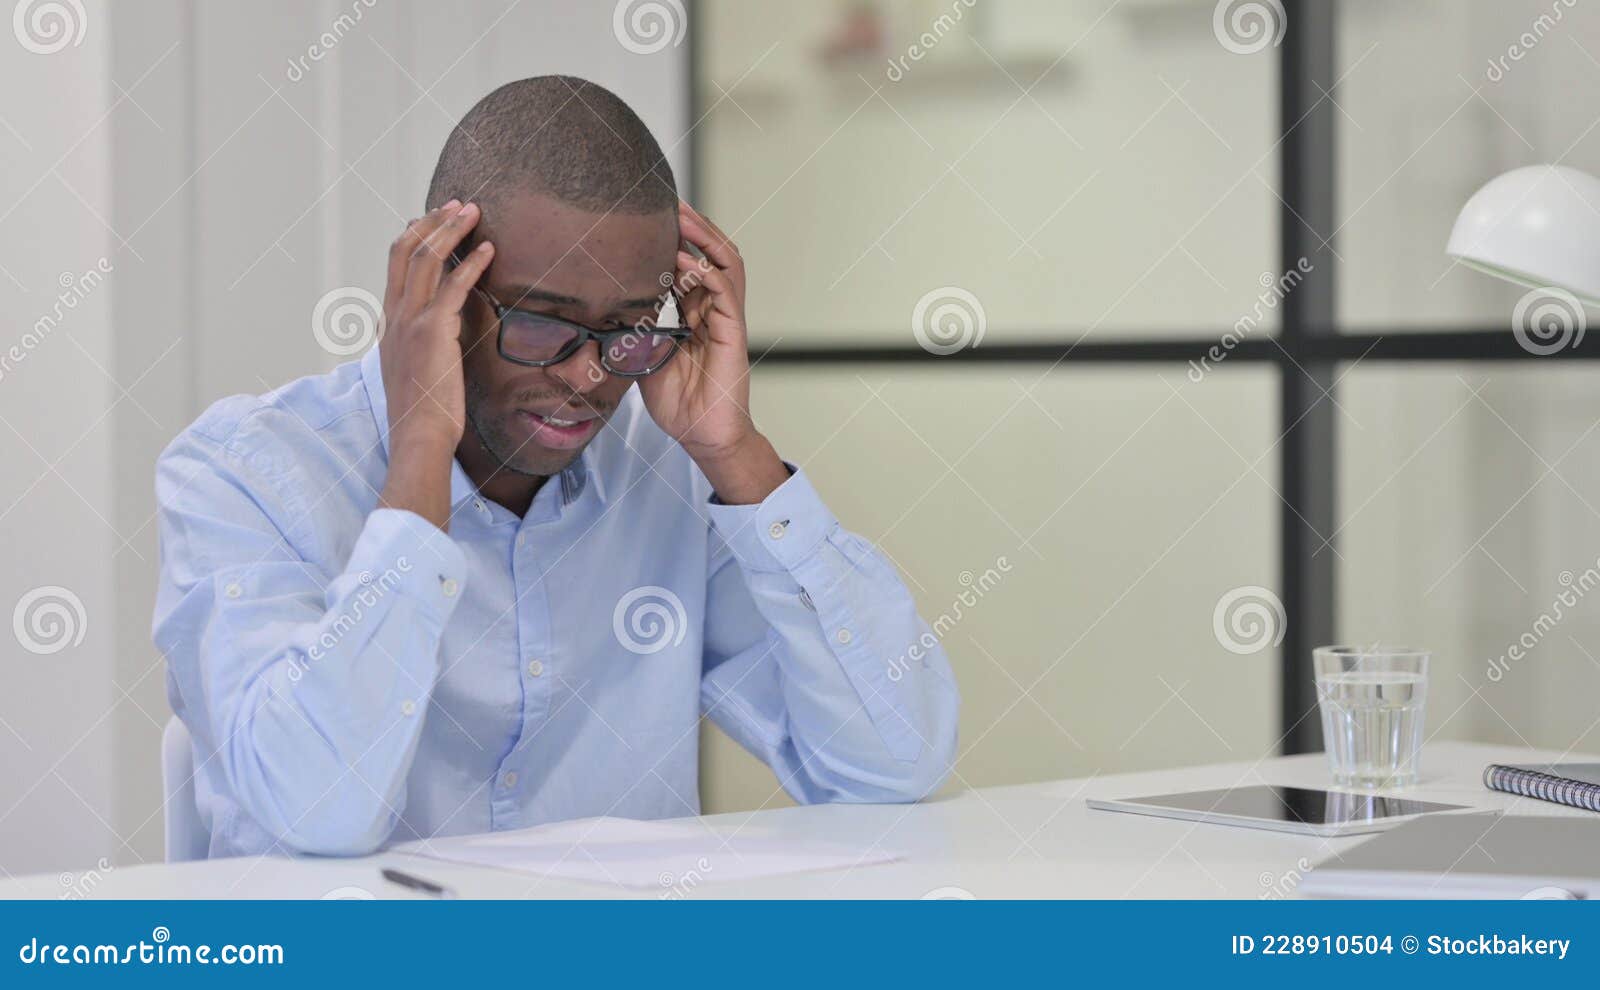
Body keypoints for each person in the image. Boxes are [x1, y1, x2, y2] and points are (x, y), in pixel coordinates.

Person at [153, 75, 959, 858]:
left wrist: (735, 454)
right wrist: (423, 451)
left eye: (629, 325)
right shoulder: (245, 473)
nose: (591, 376)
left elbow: (892, 764)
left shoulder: (670, 478)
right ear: (436, 285)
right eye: (545, 325)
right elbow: (317, 810)